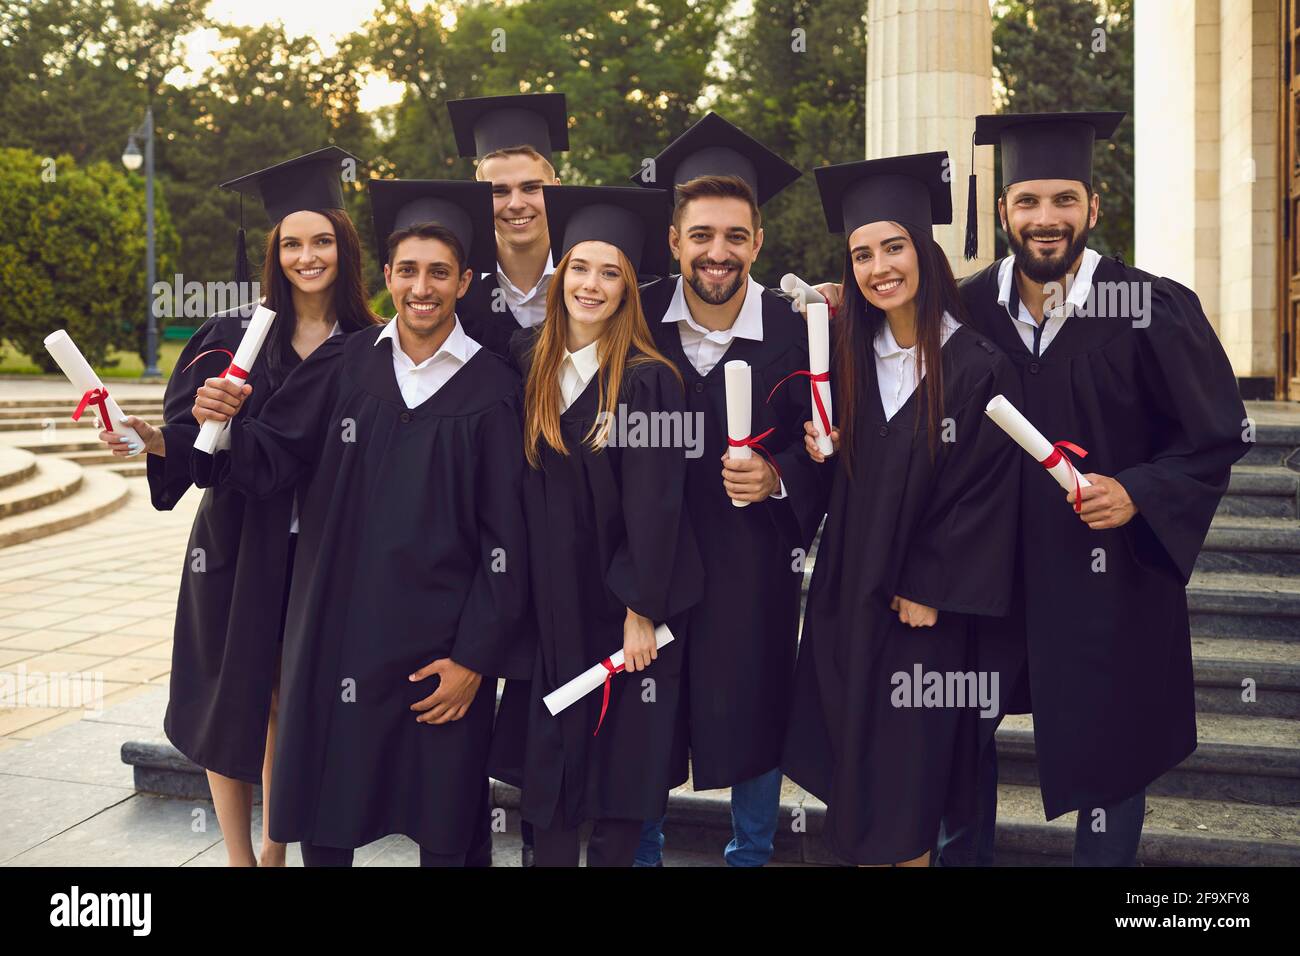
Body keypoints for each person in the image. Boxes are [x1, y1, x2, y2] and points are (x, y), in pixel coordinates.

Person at [187, 179, 533, 867]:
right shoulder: (346, 364)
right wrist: (217, 424)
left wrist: (474, 661)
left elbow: (510, 543)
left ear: (465, 281)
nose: (422, 287)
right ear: (386, 277)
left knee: (447, 830)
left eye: (440, 272)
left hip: (440, 654)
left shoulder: (496, 389)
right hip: (338, 643)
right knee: (330, 822)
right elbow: (273, 455)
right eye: (408, 270)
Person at [937, 111, 1249, 866]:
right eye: (1029, 201)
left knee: (1114, 751)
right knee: (953, 741)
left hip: (1108, 580)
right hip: (988, 574)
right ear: (1004, 210)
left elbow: (1216, 434)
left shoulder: (1150, 306)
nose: (1047, 220)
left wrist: (1139, 490)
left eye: (1064, 201)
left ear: (1093, 208)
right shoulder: (962, 311)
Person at [98, 147, 379, 866]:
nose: (306, 256)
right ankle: (239, 857)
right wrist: (153, 435)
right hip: (237, 542)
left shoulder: (373, 346)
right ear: (273, 252)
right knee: (234, 699)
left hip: (324, 549)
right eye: (291, 243)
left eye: (321, 241)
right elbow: (196, 447)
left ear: (344, 248)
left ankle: (277, 849)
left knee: (292, 697)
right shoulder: (231, 336)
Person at [779, 152, 1022, 866]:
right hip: (846, 601)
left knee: (908, 788)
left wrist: (929, 581)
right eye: (861, 254)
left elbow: (988, 489)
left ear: (924, 250)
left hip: (921, 612)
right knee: (854, 776)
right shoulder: (844, 360)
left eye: (894, 247)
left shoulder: (977, 365)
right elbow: (821, 472)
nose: (879, 267)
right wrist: (808, 456)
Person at [488, 185, 703, 867]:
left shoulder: (647, 381)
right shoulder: (527, 361)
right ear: (560, 275)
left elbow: (657, 503)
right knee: (548, 778)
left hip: (620, 612)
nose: (591, 284)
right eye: (580, 267)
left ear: (629, 288)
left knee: (619, 782)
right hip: (547, 610)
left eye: (610, 273)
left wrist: (643, 608)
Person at [630, 113, 821, 867]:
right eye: (701, 235)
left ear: (758, 244)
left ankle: (751, 855)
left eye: (735, 237)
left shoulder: (798, 328)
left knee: (756, 710)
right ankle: (639, 853)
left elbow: (829, 447)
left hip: (753, 562)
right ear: (674, 240)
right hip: (648, 561)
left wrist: (779, 477)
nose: (718, 252)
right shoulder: (632, 316)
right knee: (645, 719)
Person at [447, 93, 567, 357]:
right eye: (498, 191)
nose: (516, 203)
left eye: (531, 187)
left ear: (557, 191)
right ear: (478, 197)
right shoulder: (457, 290)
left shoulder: (590, 279)